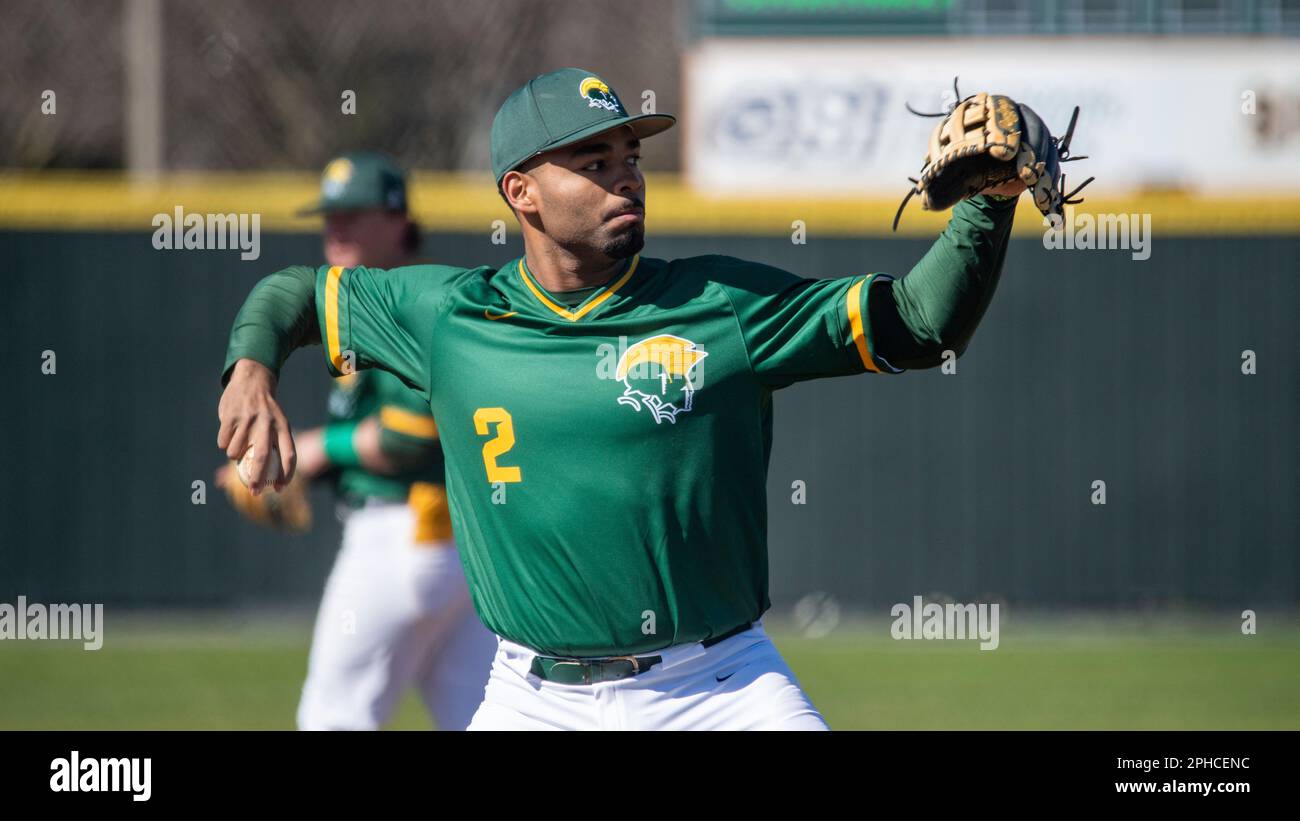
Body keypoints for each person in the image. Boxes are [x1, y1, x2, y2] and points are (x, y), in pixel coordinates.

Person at [217, 69, 1025, 730]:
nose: (625, 177)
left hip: (720, 686)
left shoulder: (721, 304)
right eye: (593, 161)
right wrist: (251, 368)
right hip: (531, 699)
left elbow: (921, 325)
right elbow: (293, 294)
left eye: (629, 155)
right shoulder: (449, 316)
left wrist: (988, 203)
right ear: (522, 192)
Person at [221, 152, 496, 730]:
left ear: (398, 219)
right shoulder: (363, 306)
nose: (336, 229)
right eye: (329, 216)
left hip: (400, 539)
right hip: (459, 551)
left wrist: (315, 451)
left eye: (354, 214)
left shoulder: (414, 303)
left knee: (333, 720)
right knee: (480, 720)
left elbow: (412, 432)